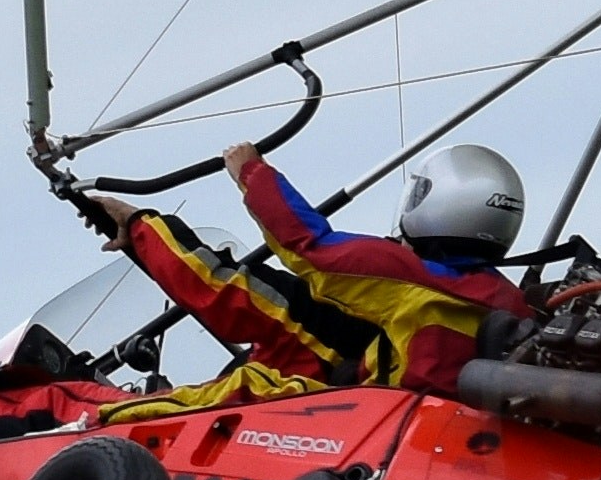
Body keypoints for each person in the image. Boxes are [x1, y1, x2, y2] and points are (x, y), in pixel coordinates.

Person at [83, 142, 529, 418]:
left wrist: (251, 172)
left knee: (242, 393)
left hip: (372, 424)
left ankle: (84, 422)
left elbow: (306, 245)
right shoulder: (511, 304)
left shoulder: (409, 281)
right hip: (429, 427)